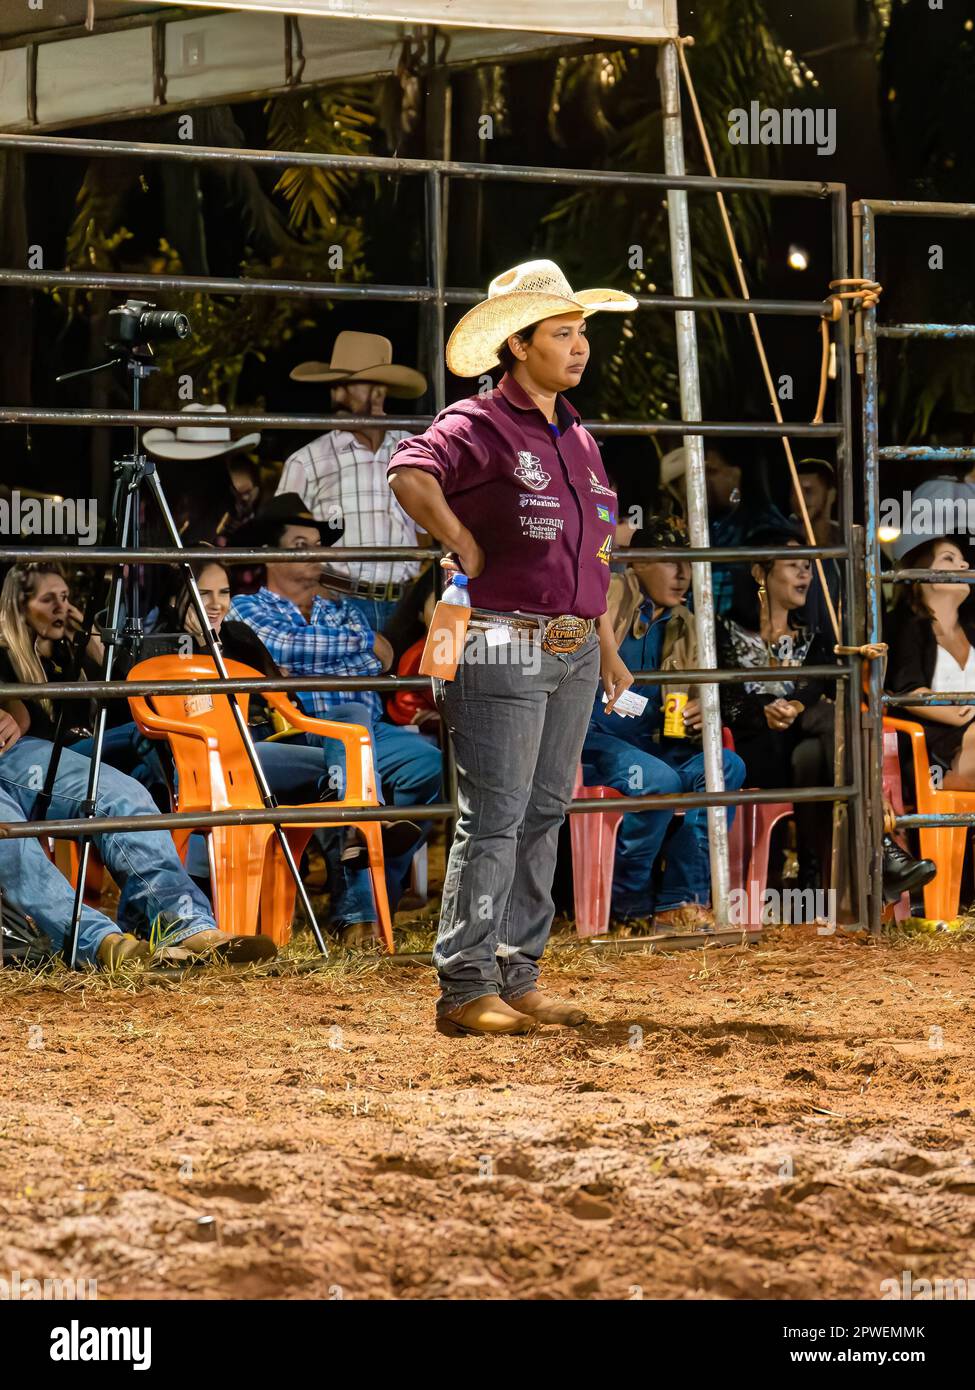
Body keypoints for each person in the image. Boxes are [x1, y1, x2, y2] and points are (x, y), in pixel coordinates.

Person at [388, 257, 637, 1037]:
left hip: (562, 646)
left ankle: (514, 970)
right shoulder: (477, 424)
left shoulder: (580, 440)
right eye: (560, 334)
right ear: (517, 345)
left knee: (540, 812)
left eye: (580, 333)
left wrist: (603, 645)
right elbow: (407, 470)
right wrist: (461, 540)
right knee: (498, 816)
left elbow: (586, 556)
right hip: (498, 638)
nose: (578, 347)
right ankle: (466, 984)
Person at [0, 563, 275, 967]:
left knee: (126, 793)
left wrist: (13, 711)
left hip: (27, 755)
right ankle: (105, 945)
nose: (61, 608)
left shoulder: (65, 650)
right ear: (17, 606)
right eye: (48, 599)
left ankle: (191, 925)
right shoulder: (12, 650)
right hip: (46, 754)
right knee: (10, 836)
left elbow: (23, 712)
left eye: (64, 597)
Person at [229, 494, 441, 936]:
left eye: (318, 543)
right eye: (301, 542)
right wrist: (350, 650)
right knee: (348, 728)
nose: (315, 551)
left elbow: (375, 663)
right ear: (271, 556)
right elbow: (289, 648)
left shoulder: (340, 609)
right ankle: (361, 913)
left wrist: (314, 658)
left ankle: (368, 841)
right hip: (301, 732)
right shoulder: (246, 606)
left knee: (435, 768)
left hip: (368, 731)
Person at [582, 516, 746, 929]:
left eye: (688, 563)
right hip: (594, 737)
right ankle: (629, 907)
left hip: (656, 742)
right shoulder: (611, 596)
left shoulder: (685, 621)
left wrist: (699, 712)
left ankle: (679, 900)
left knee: (725, 767)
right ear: (635, 562)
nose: (682, 574)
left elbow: (706, 696)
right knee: (658, 781)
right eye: (670, 561)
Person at [278, 331, 429, 631]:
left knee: (411, 676)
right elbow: (280, 541)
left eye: (347, 387)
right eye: (334, 388)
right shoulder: (306, 461)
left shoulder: (416, 451)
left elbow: (431, 528)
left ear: (378, 393)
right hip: (336, 600)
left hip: (407, 604)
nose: (337, 397)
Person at [885, 536, 975, 790]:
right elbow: (907, 691)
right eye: (949, 558)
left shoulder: (971, 629)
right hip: (932, 749)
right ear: (922, 574)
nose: (964, 564)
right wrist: (962, 716)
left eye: (962, 559)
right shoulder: (906, 626)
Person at [663, 439, 791, 614]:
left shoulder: (766, 533)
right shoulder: (717, 523)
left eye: (712, 471)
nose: (703, 479)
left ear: (738, 475)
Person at [791, 457, 842, 637]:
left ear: (831, 495)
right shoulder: (784, 541)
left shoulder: (846, 540)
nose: (800, 499)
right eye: (795, 491)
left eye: (808, 491)